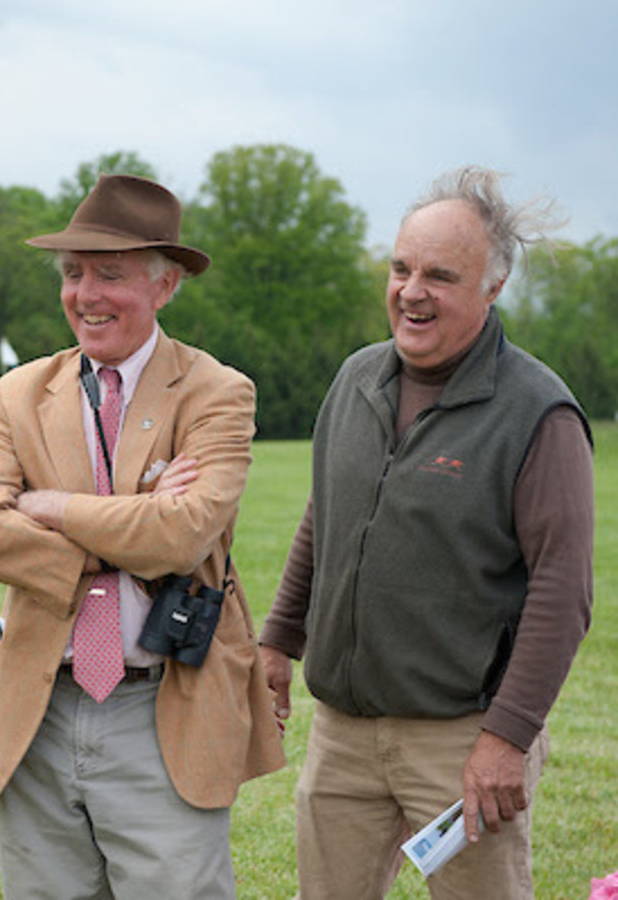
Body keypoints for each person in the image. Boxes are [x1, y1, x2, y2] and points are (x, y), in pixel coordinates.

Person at [259, 166, 593, 899]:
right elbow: (326, 512)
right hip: (342, 735)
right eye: (401, 268)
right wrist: (280, 640)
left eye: (440, 276)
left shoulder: (538, 413)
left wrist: (507, 739)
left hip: (463, 741)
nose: (411, 292)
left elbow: (563, 592)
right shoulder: (355, 380)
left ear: (493, 287)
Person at [0, 174, 285, 898]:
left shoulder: (217, 391)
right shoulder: (18, 393)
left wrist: (49, 506)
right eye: (73, 274)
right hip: (38, 707)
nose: (86, 294)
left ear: (165, 287)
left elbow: (180, 537)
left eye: (110, 274)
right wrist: (129, 521)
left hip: (162, 705)